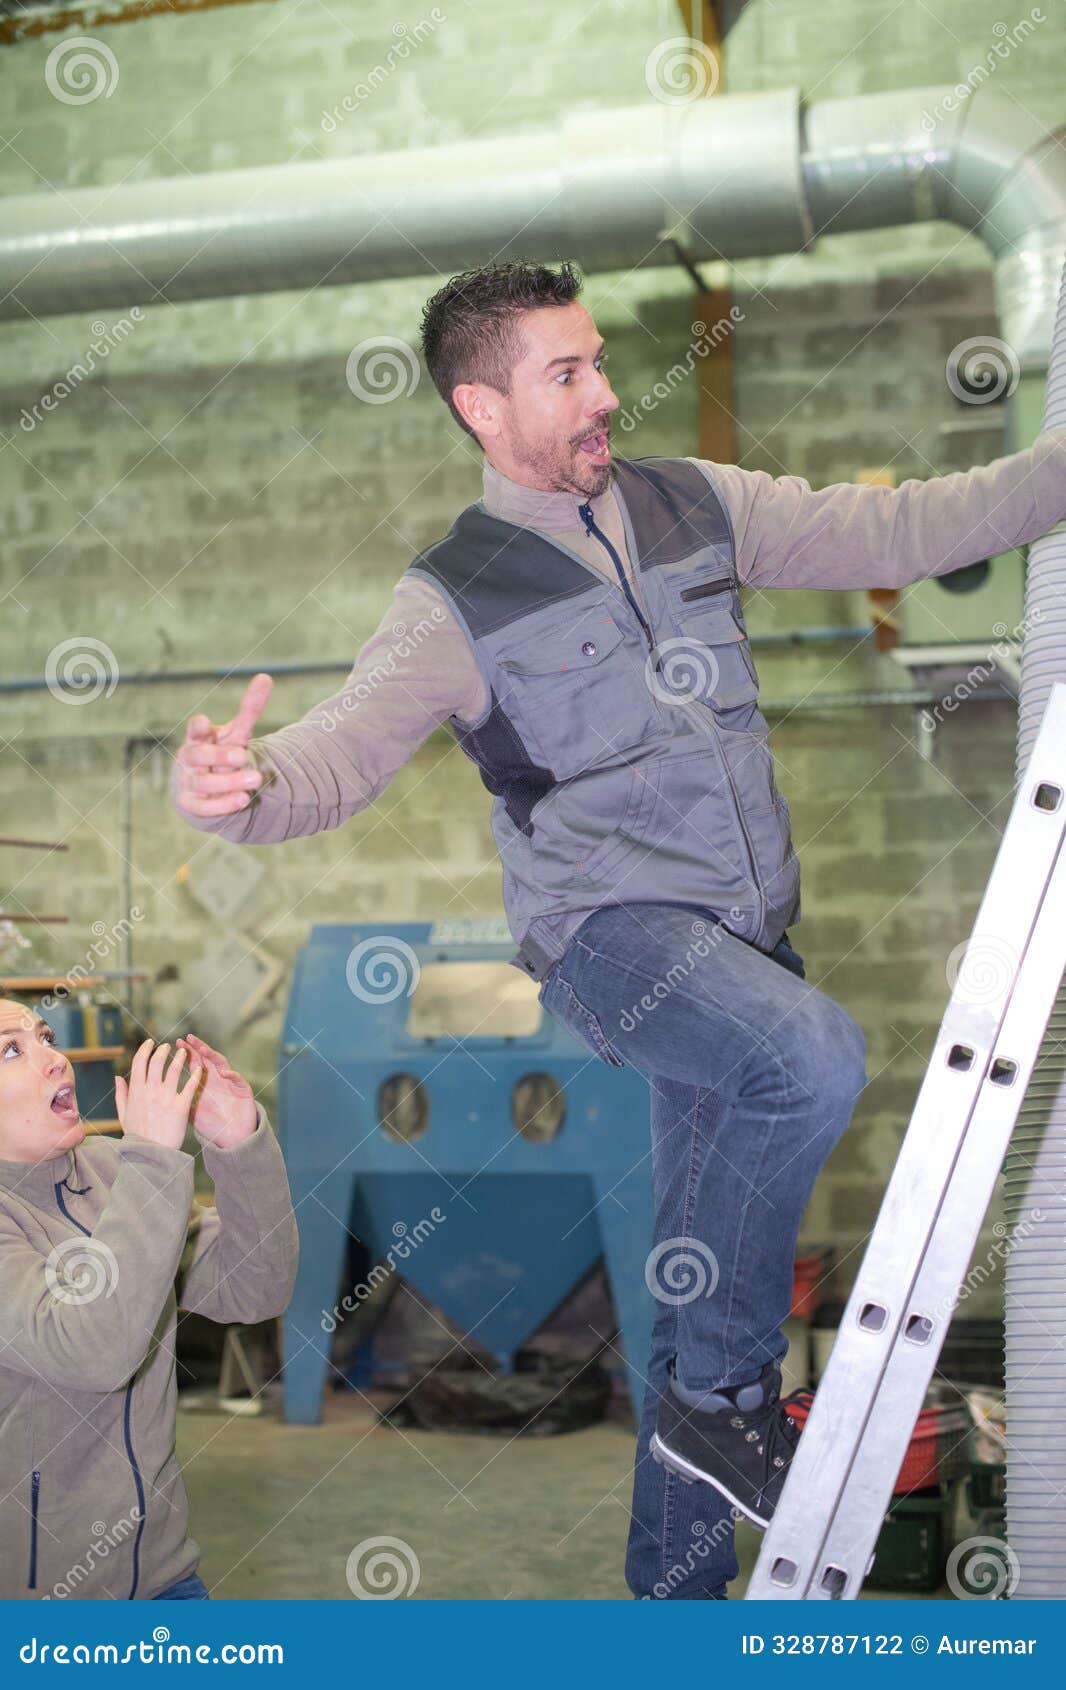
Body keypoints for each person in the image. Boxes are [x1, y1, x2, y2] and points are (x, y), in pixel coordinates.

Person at [170, 258, 1066, 1599]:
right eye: (566, 373)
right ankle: (724, 1391)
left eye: (597, 361)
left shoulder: (692, 502)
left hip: (741, 943)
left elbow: (894, 531)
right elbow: (337, 755)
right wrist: (236, 791)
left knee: (689, 1274)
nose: (603, 393)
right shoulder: (454, 596)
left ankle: (670, 1607)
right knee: (809, 1057)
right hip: (612, 937)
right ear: (481, 407)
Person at [0, 1005, 298, 1600]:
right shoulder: (136, 1174)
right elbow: (97, 1355)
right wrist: (156, 1160)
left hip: (166, 1577)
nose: (55, 1058)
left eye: (46, 1037)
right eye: (12, 1049)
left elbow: (256, 1286)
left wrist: (238, 1145)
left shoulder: (115, 1173)